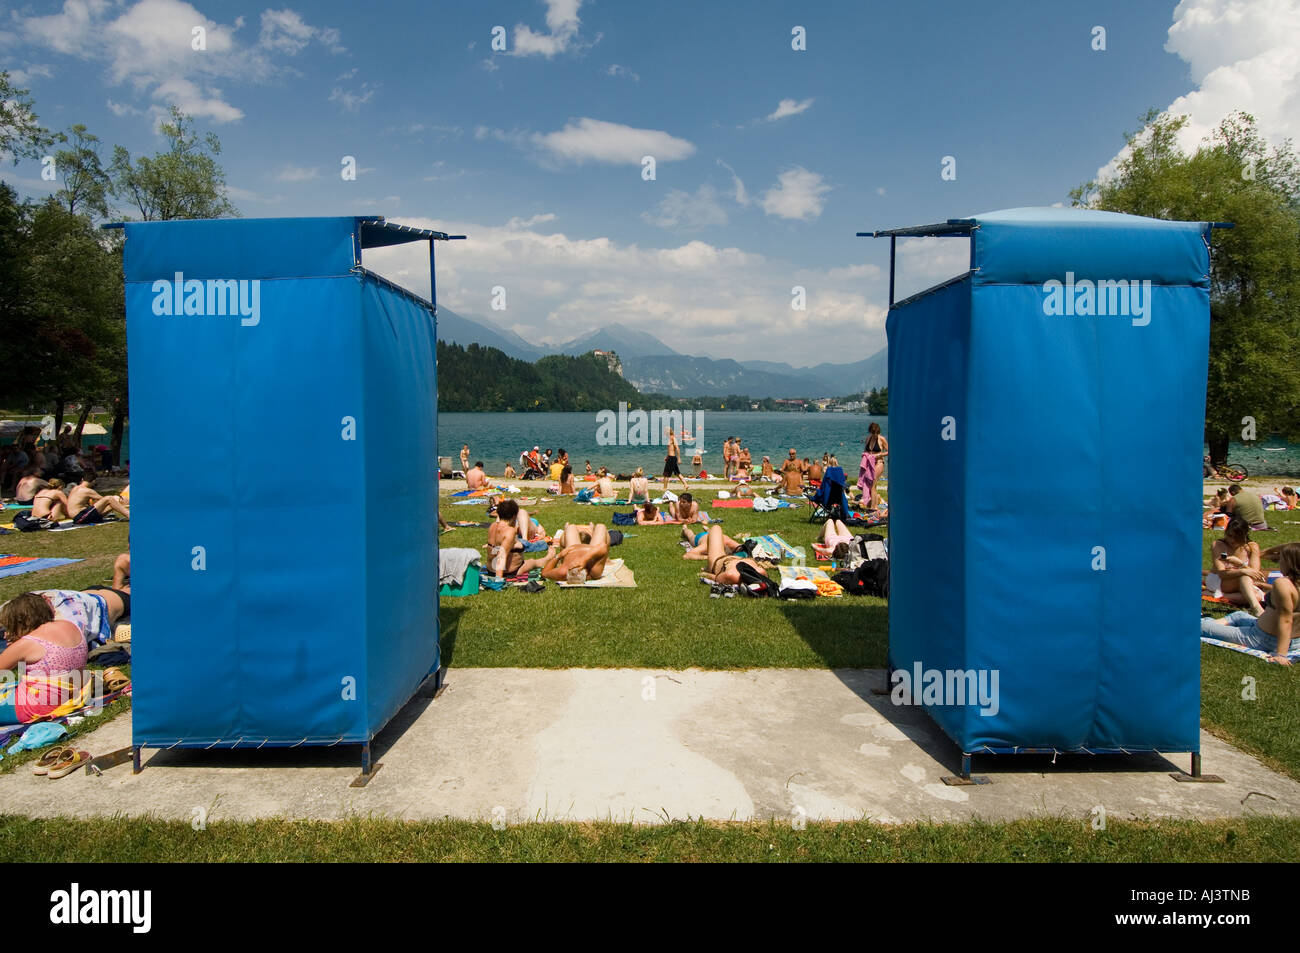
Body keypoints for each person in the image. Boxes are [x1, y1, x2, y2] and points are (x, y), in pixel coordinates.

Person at [1203, 542, 1300, 665]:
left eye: (1282, 559)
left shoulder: (1284, 584)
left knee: (1199, 627)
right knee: (1239, 615)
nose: (1279, 561)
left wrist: (1281, 654)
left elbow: (1286, 619)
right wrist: (1242, 564)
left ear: (1290, 562)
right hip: (1294, 640)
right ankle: (1215, 624)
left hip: (1263, 638)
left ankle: (1208, 624)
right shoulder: (1293, 584)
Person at [0, 592, 89, 724]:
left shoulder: (27, 644)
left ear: (22, 621)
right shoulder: (69, 625)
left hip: (37, 708)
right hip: (73, 696)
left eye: (10, 627)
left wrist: (15, 648)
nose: (7, 634)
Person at [1208, 518, 1266, 615]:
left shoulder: (1251, 547)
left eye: (1237, 537)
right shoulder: (1218, 545)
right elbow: (1222, 573)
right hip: (1219, 580)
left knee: (1256, 596)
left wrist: (1240, 564)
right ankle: (1256, 608)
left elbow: (1255, 573)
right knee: (1245, 578)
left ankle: (1220, 595)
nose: (1232, 540)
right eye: (1229, 535)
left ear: (1244, 535)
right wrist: (1243, 571)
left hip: (1242, 582)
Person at [699, 524, 767, 586]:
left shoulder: (731, 575)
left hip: (719, 559)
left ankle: (688, 531)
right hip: (736, 558)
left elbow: (716, 578)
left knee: (715, 528)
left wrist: (707, 574)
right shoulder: (760, 572)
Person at [65, 471, 130, 523]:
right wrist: (118, 499)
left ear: (82, 479)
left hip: (78, 517)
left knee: (111, 503)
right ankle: (129, 515)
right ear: (93, 481)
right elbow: (104, 500)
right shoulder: (88, 491)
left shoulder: (75, 488)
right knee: (109, 498)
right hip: (80, 517)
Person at [859, 423, 889, 508]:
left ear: (878, 432)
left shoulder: (881, 439)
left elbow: (889, 451)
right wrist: (865, 455)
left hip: (879, 463)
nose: (874, 435)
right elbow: (866, 450)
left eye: (875, 433)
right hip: (869, 464)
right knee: (871, 486)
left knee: (872, 485)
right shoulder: (868, 438)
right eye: (873, 433)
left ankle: (873, 508)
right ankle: (874, 506)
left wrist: (879, 455)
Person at [661, 427, 689, 492]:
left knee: (666, 474)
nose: (664, 433)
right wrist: (667, 456)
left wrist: (679, 458)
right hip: (670, 457)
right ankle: (686, 484)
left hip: (672, 458)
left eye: (665, 431)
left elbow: (677, 448)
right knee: (677, 473)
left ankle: (665, 488)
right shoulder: (670, 438)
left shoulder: (673, 438)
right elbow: (670, 449)